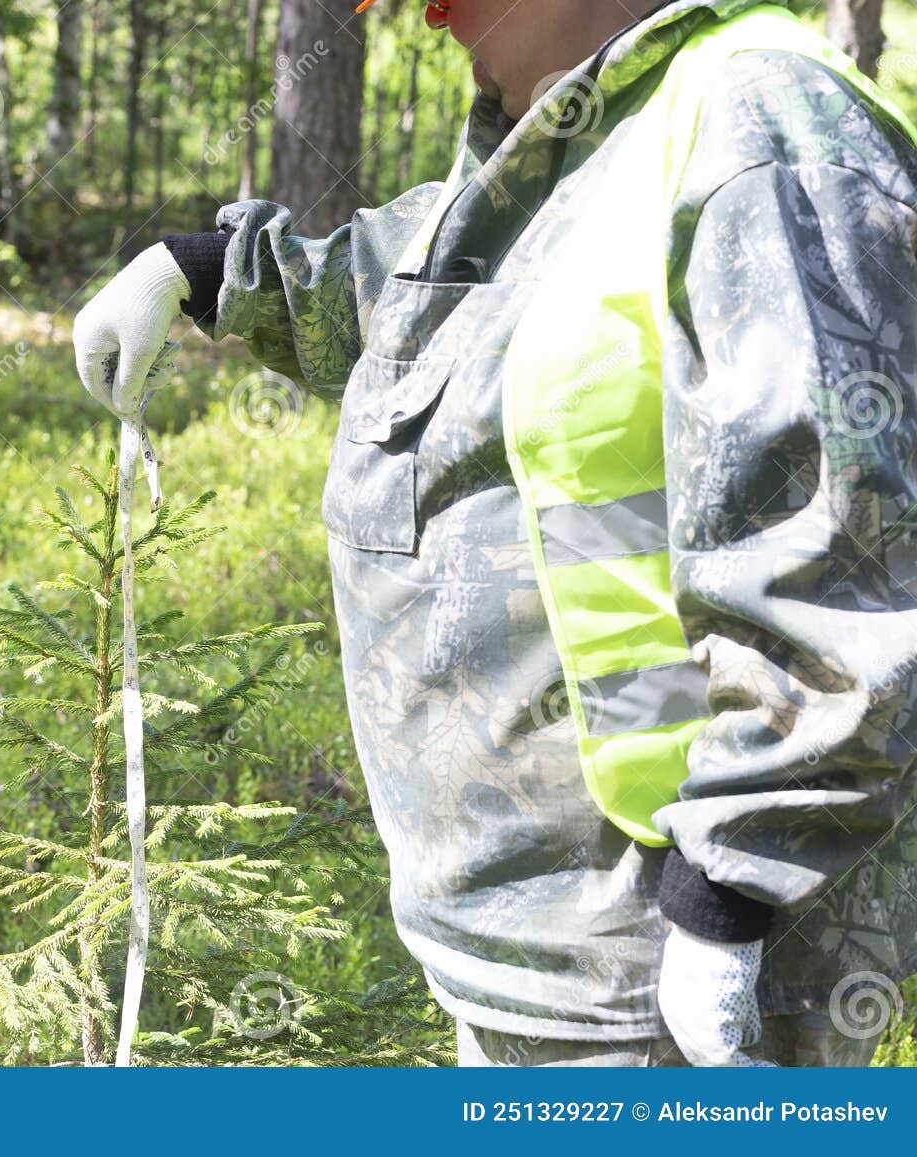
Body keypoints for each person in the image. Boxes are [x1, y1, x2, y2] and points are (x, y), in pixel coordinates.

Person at [73, 0, 917, 1067]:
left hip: (658, 963)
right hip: (524, 947)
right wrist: (204, 267)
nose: (427, 24)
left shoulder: (760, 122)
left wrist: (732, 887)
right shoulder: (590, 131)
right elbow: (442, 300)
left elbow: (851, 543)